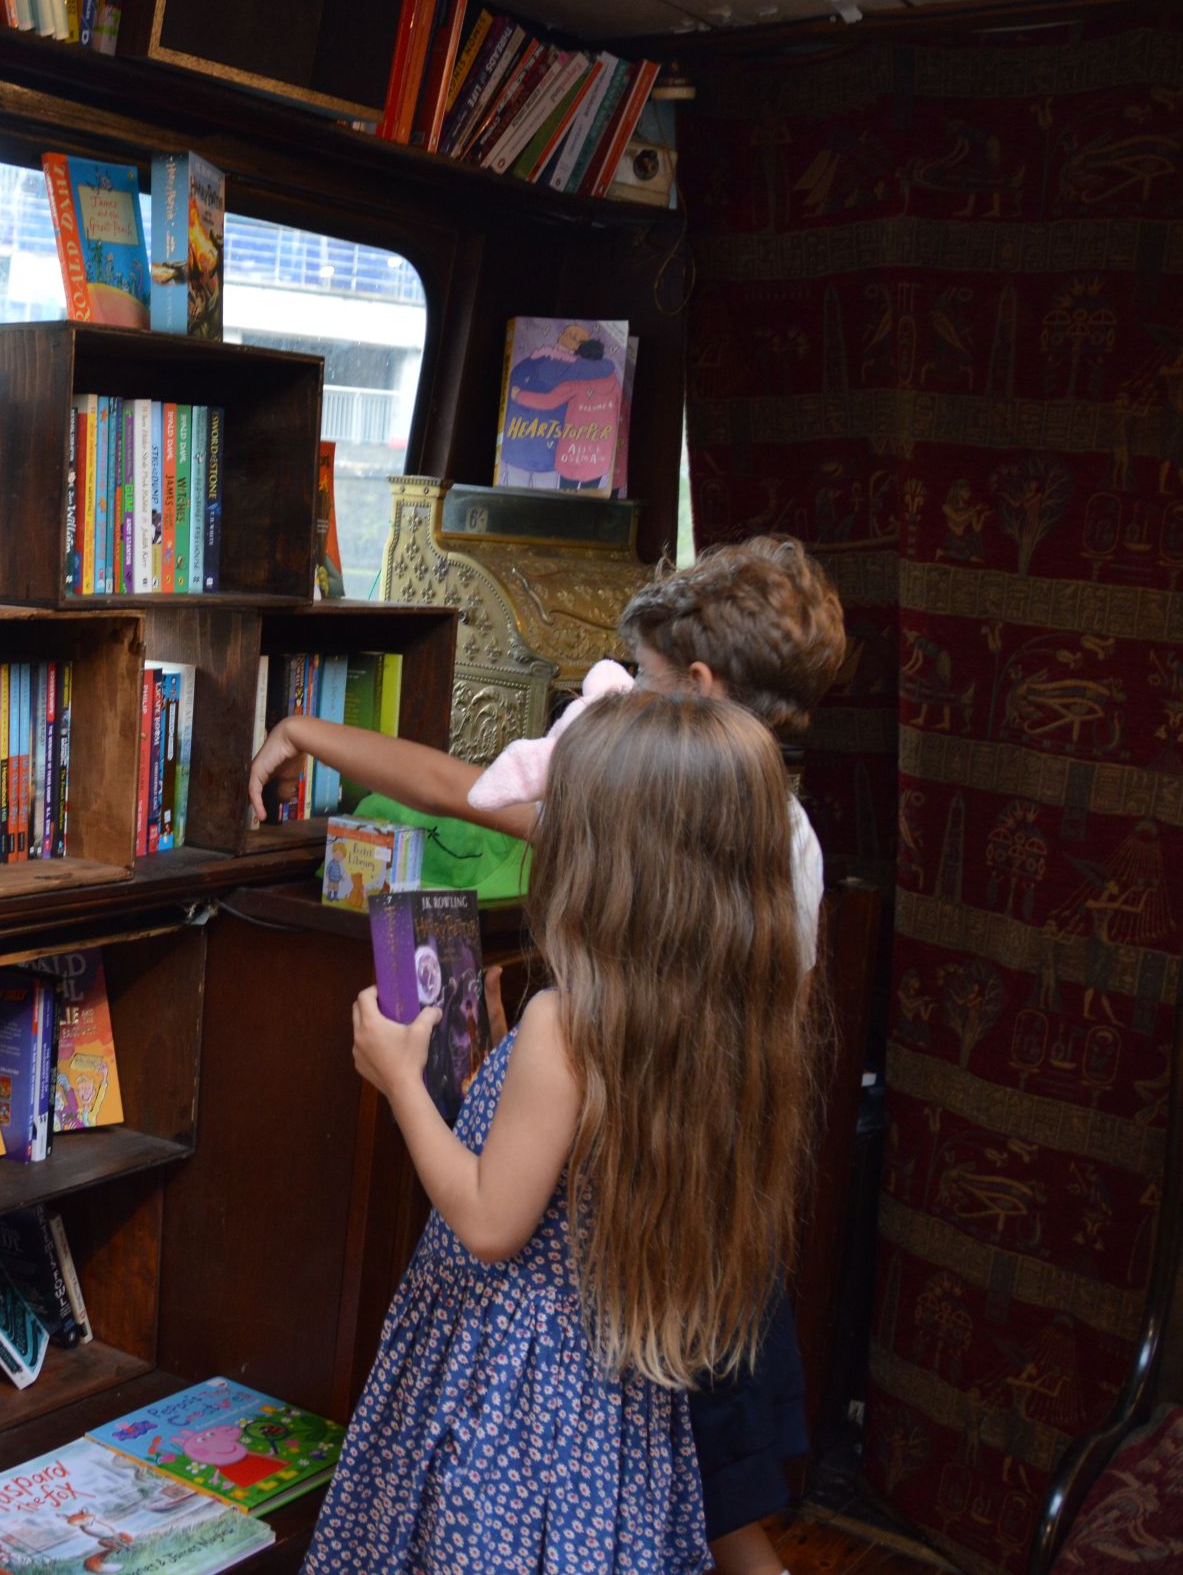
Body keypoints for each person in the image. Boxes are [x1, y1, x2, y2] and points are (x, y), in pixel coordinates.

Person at [258, 535, 847, 1575]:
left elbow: (493, 1218)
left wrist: (405, 1076)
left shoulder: (570, 1022)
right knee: (710, 1523)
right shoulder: (742, 851)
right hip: (663, 1289)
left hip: (542, 1361)